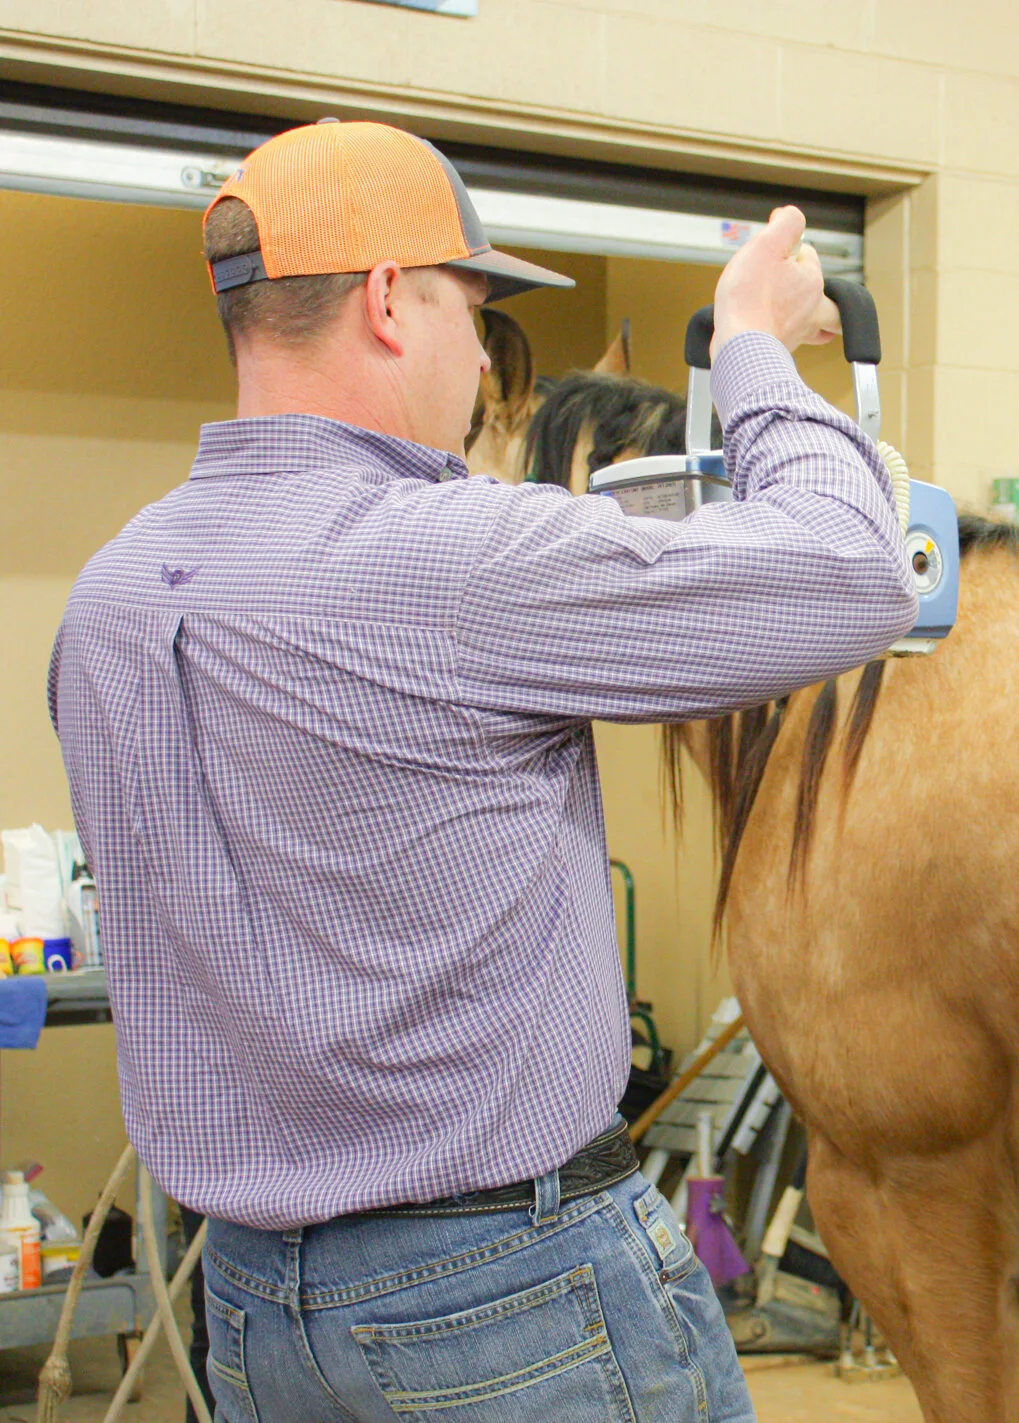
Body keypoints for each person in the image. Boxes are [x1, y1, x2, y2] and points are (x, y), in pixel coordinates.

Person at [50, 120, 914, 1423]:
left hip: (244, 1305)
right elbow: (852, 569)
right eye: (478, 313)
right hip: (504, 1289)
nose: (483, 362)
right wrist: (753, 346)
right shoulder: (454, 556)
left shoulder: (110, 594)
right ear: (393, 299)